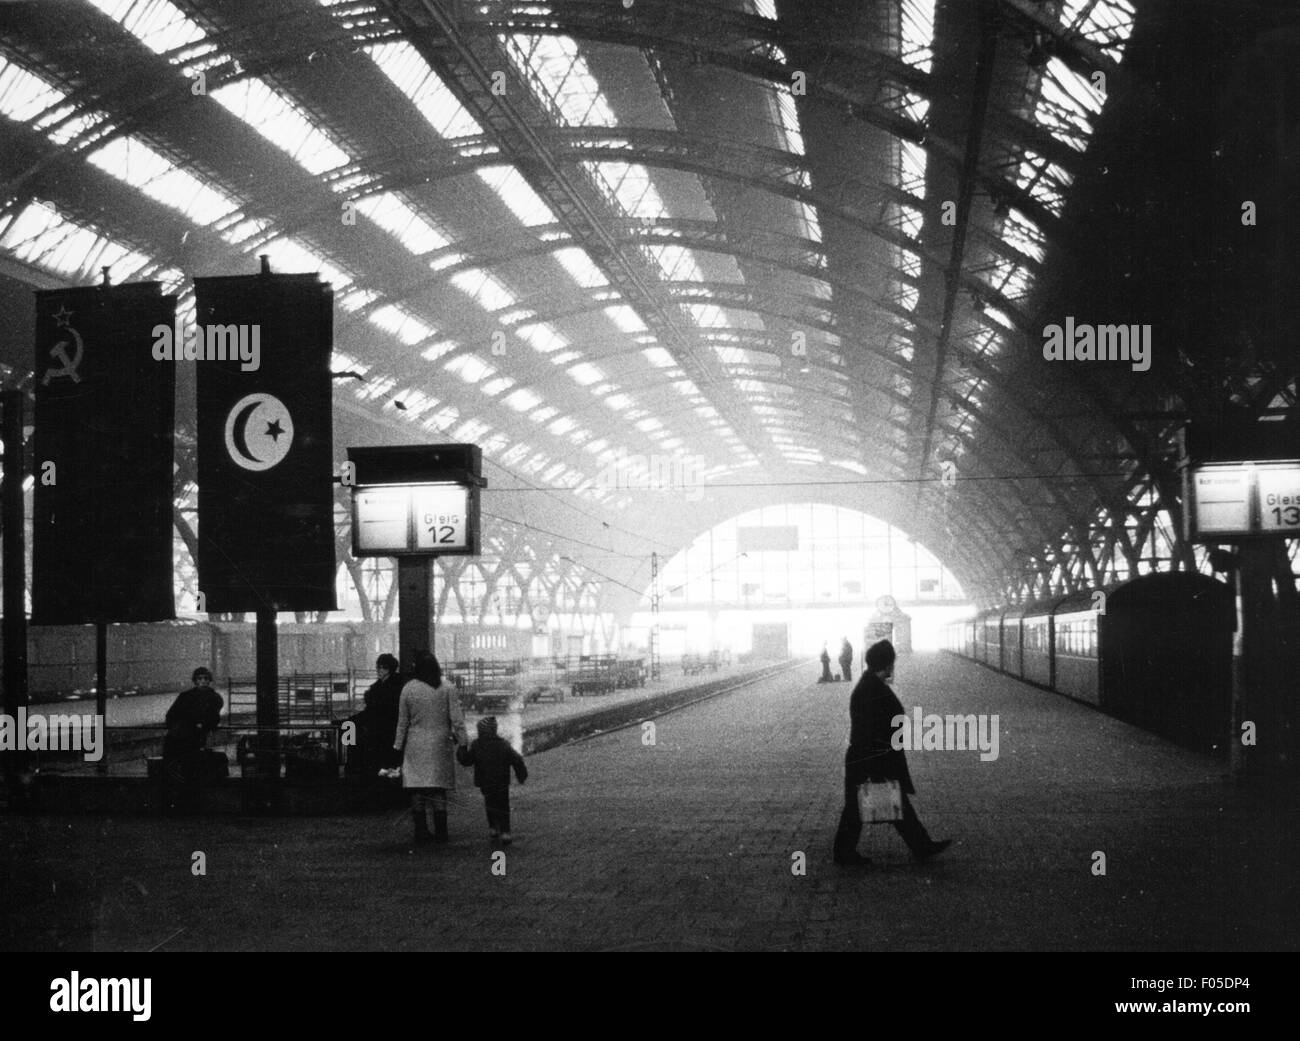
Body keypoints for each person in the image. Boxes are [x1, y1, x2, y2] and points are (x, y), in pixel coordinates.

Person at [832, 639, 950, 866]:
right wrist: (877, 765)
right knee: (864, 807)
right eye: (891, 664)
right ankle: (844, 853)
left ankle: (921, 846)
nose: (892, 668)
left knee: (882, 805)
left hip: (869, 757)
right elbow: (871, 728)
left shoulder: (870, 685)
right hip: (871, 759)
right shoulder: (870, 689)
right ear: (885, 665)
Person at [393, 650, 466, 844]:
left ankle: (421, 831)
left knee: (417, 789)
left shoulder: (409, 689)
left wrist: (397, 747)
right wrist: (463, 743)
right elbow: (457, 720)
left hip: (415, 744)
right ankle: (442, 832)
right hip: (441, 743)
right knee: (438, 789)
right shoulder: (447, 687)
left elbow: (402, 723)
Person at [456, 716, 528, 844]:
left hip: (485, 782)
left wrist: (461, 748)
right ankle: (505, 832)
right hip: (501, 782)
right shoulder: (503, 744)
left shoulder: (477, 745)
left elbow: (466, 760)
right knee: (503, 806)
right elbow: (517, 760)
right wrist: (521, 776)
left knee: (490, 804)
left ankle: (493, 828)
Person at [162, 667, 225, 806]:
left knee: (181, 764)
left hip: (187, 736)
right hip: (188, 734)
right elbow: (213, 718)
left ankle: (179, 794)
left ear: (209, 681)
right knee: (188, 765)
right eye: (200, 679)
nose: (202, 681)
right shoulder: (214, 698)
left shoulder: (189, 696)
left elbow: (212, 718)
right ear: (195, 681)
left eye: (205, 679)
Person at [349, 653, 403, 775]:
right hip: (384, 731)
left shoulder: (383, 689)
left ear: (390, 669)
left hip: (383, 731)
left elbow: (374, 711)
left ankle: (348, 767)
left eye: (383, 667)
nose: (379, 670)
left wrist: (350, 720)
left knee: (349, 732)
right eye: (378, 666)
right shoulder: (393, 686)